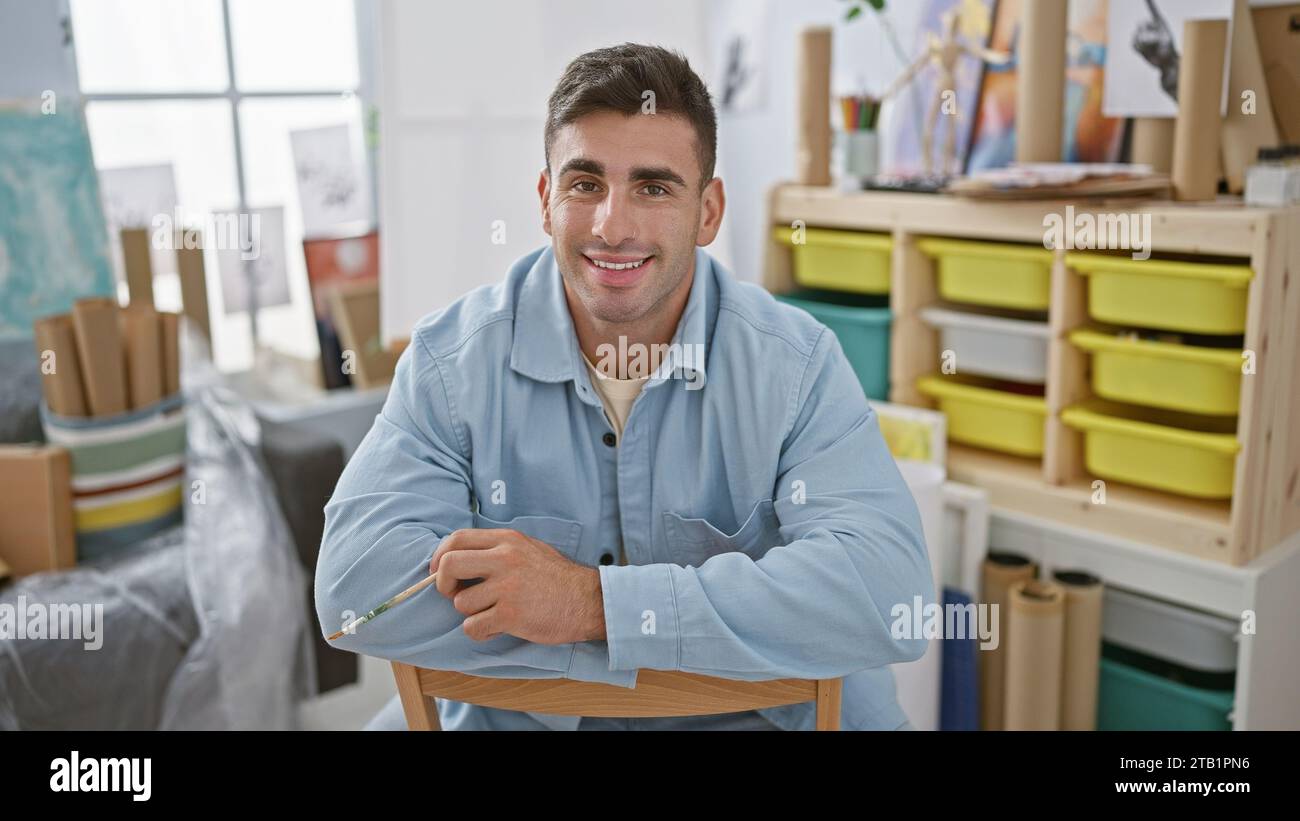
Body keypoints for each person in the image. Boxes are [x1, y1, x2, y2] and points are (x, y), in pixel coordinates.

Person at [315, 43, 933, 731]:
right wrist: (711, 628)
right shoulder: (450, 362)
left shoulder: (797, 364)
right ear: (547, 200)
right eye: (585, 184)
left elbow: (888, 594)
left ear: (708, 211)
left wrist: (590, 604)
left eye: (654, 186)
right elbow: (354, 588)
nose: (613, 225)